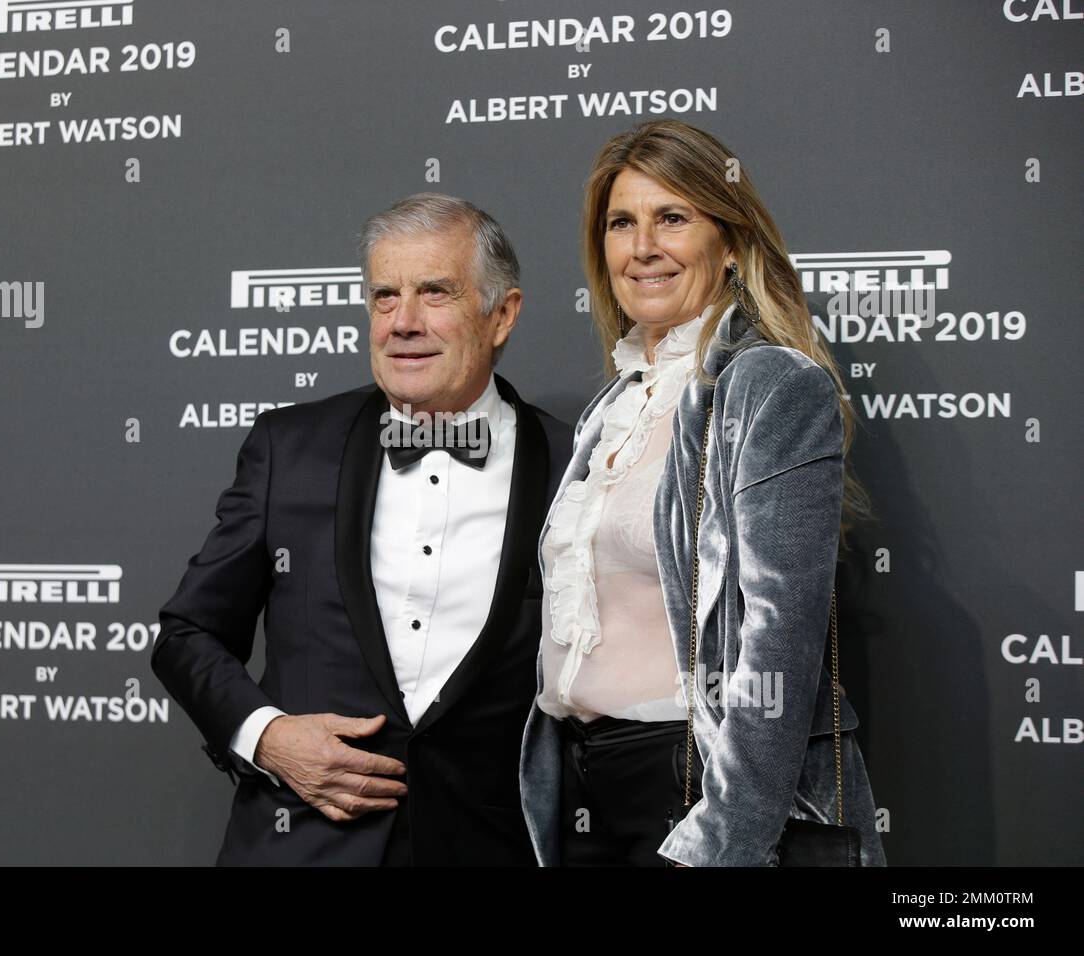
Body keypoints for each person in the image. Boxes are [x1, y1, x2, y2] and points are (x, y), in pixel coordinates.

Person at [153, 192, 572, 865]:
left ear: (502, 315)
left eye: (434, 292)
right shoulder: (290, 450)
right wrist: (267, 736)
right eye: (384, 296)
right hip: (302, 846)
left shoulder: (574, 466)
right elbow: (187, 635)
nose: (402, 322)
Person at [519, 119, 888, 866]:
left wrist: (723, 837)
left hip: (696, 789)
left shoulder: (771, 384)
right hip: (589, 786)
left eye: (673, 217)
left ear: (730, 242)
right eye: (622, 222)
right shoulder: (617, 402)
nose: (643, 246)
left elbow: (780, 635)